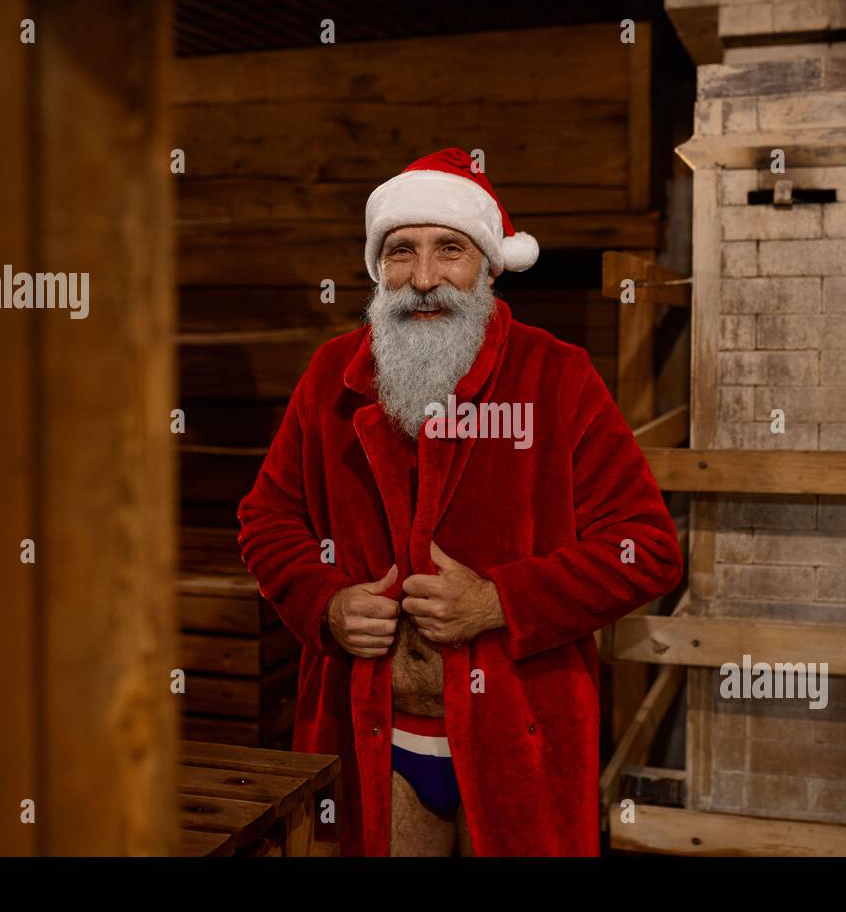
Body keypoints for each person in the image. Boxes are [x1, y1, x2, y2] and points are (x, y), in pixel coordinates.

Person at [237, 147, 683, 856]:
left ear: (487, 265)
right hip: (368, 739)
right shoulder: (331, 376)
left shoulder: (557, 376)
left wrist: (501, 602)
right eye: (400, 253)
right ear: (377, 268)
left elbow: (648, 549)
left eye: (449, 250)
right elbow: (266, 520)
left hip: (521, 736)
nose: (422, 279)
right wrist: (324, 603)